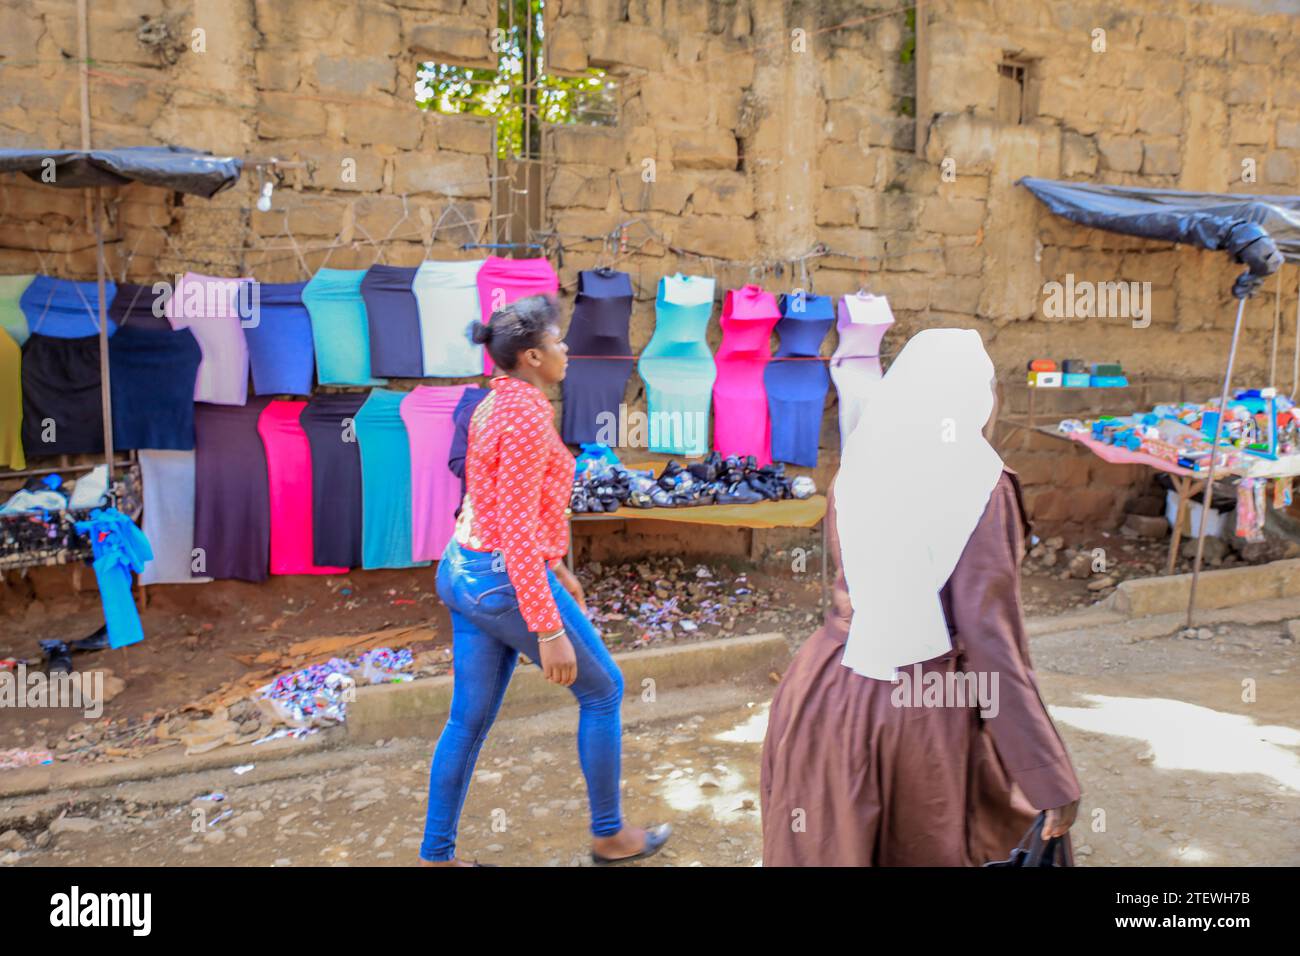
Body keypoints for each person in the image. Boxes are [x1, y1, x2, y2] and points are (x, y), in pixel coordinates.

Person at [760, 328, 1081, 866]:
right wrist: (1047, 774)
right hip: (917, 710)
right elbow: (991, 645)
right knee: (925, 842)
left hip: (822, 694)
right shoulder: (980, 481)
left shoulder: (862, 460)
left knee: (830, 845)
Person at [420, 294, 672, 866]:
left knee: (467, 721)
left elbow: (494, 502)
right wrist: (548, 626)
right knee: (603, 690)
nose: (567, 351)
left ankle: (436, 857)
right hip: (504, 577)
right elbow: (511, 526)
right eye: (559, 343)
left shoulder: (492, 403)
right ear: (532, 355)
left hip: (464, 568)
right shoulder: (528, 415)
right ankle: (608, 834)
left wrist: (556, 564)